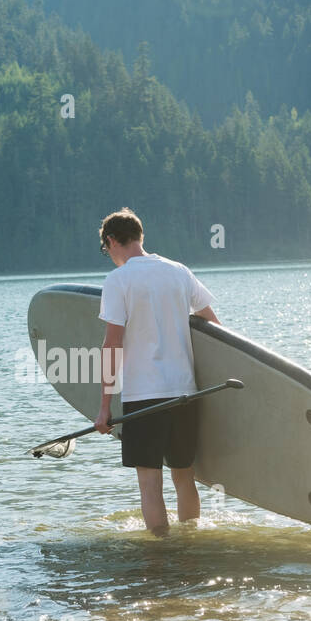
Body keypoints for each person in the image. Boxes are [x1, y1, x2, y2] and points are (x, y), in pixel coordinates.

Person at [94, 208, 220, 536]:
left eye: (105, 250)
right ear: (139, 237)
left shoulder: (118, 280)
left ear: (111, 241)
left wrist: (105, 407)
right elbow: (214, 325)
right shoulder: (178, 271)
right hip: (185, 394)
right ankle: (189, 543)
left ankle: (162, 554)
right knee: (184, 477)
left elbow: (112, 345)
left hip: (144, 397)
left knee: (150, 483)